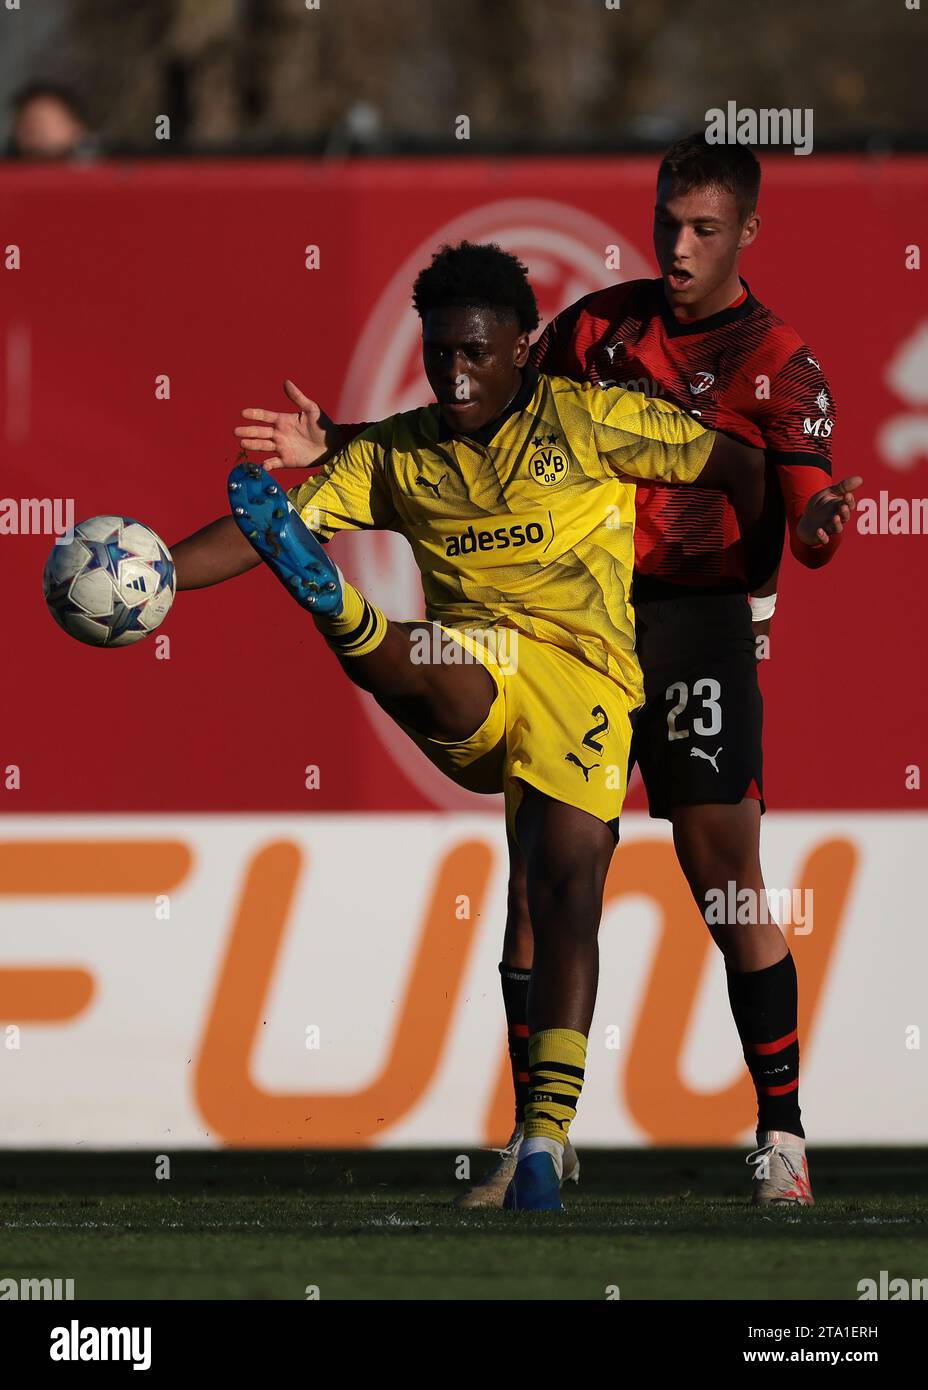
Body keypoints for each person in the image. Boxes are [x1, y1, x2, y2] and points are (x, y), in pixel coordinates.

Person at [235, 142, 861, 1209]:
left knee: (722, 875)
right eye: (667, 220)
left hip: (696, 619)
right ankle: (541, 1141)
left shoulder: (778, 360)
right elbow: (490, 420)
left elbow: (799, 502)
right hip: (568, 626)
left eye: (704, 228)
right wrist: (342, 442)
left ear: (747, 233)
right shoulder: (591, 329)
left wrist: (808, 540)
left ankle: (782, 1134)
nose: (677, 244)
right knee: (540, 889)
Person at [6, 82, 93, 160]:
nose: (34, 131)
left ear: (77, 127)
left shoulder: (99, 168)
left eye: (44, 122)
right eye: (26, 122)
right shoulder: (5, 172)